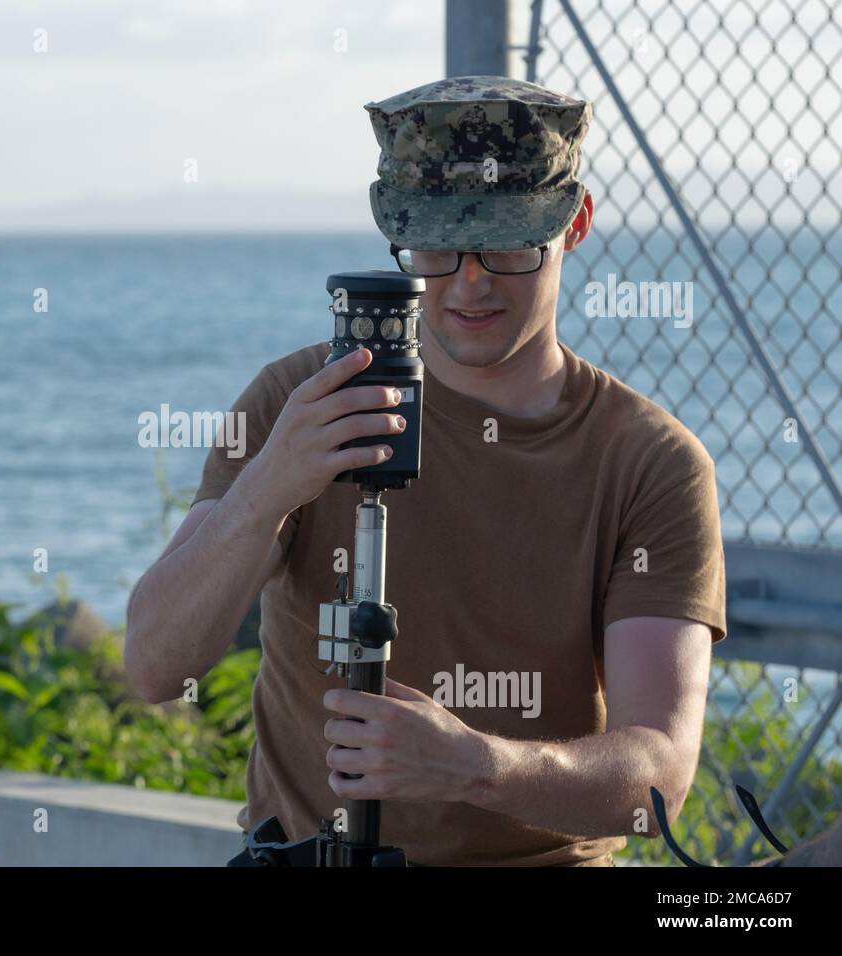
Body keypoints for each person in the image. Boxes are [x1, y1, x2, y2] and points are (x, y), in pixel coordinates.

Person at [125, 76, 727, 865]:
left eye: (508, 245)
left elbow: (657, 785)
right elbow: (155, 667)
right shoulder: (298, 401)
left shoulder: (649, 461)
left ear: (573, 224)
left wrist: (475, 767)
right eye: (435, 247)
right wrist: (266, 490)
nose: (469, 283)